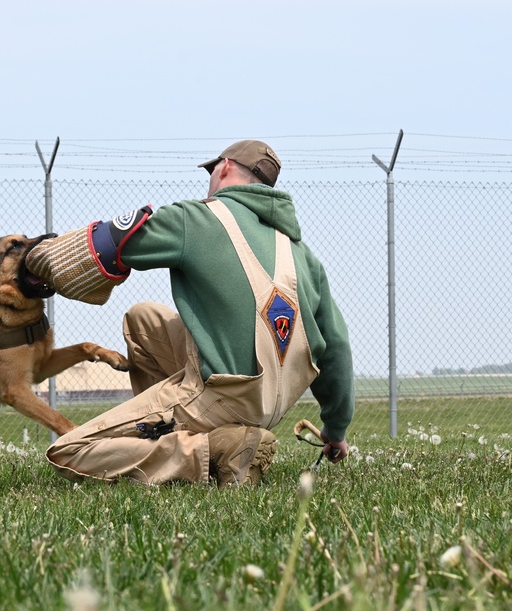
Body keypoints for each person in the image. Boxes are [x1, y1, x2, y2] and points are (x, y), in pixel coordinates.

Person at [25, 140, 354, 487]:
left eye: (212, 170)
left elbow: (108, 245)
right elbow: (335, 347)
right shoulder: (302, 255)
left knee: (70, 450)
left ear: (225, 168)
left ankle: (210, 449)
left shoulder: (197, 219)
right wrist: (336, 431)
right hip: (270, 405)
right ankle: (181, 435)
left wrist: (30, 262)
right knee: (143, 319)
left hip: (220, 396)